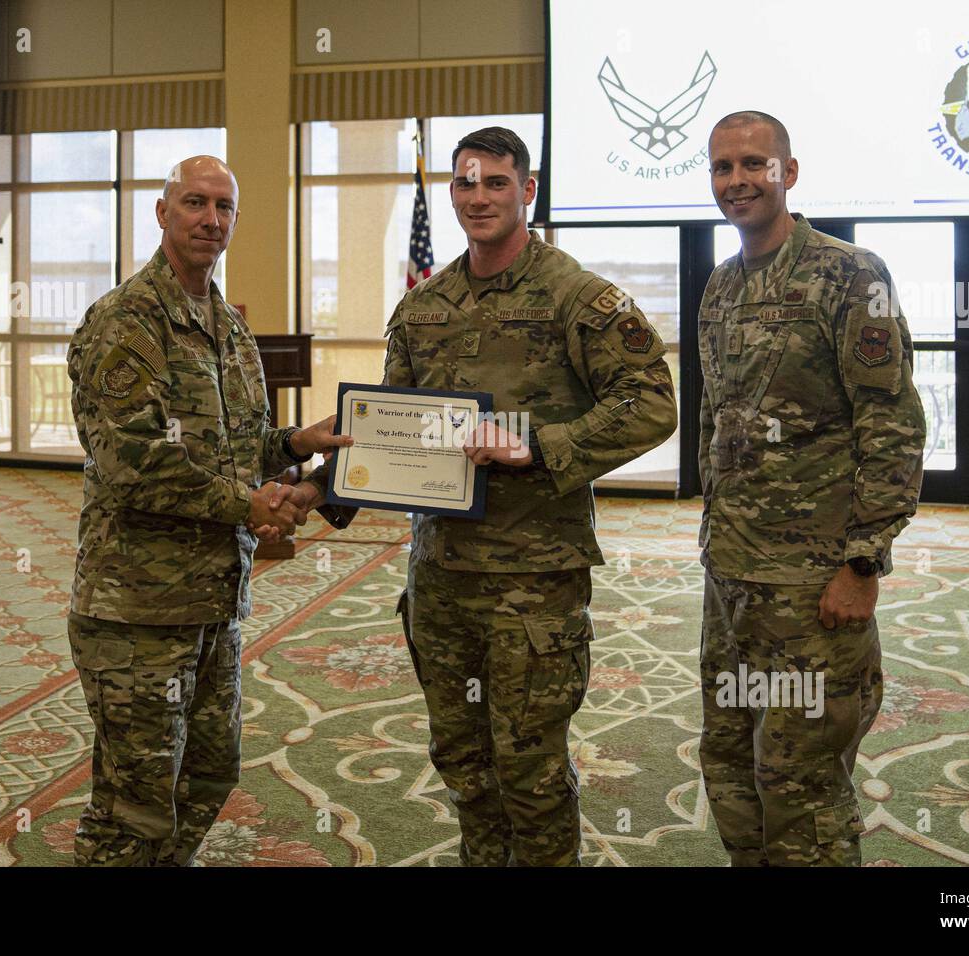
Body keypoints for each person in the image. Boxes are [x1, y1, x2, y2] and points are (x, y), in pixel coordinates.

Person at [284, 127, 678, 866]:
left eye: (496, 182)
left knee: (529, 773)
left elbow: (652, 404)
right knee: (463, 766)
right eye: (465, 183)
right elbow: (387, 427)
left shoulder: (579, 297)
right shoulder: (424, 306)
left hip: (532, 581)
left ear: (527, 190)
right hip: (440, 577)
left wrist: (541, 448)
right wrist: (319, 493)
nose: (478, 197)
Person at [65, 155, 350, 866]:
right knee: (134, 806)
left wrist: (290, 443)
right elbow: (132, 464)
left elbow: (233, 446)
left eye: (224, 207)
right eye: (195, 202)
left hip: (214, 598)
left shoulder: (226, 326)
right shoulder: (124, 323)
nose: (211, 219)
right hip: (136, 609)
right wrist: (247, 502)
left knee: (209, 772)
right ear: (162, 213)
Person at [696, 112, 927, 866]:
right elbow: (714, 424)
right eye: (724, 167)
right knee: (730, 766)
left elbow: (889, 422)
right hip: (731, 578)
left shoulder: (851, 274)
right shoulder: (721, 286)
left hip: (814, 584)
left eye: (754, 164)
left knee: (799, 783)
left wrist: (863, 563)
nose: (738, 181)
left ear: (788, 173)